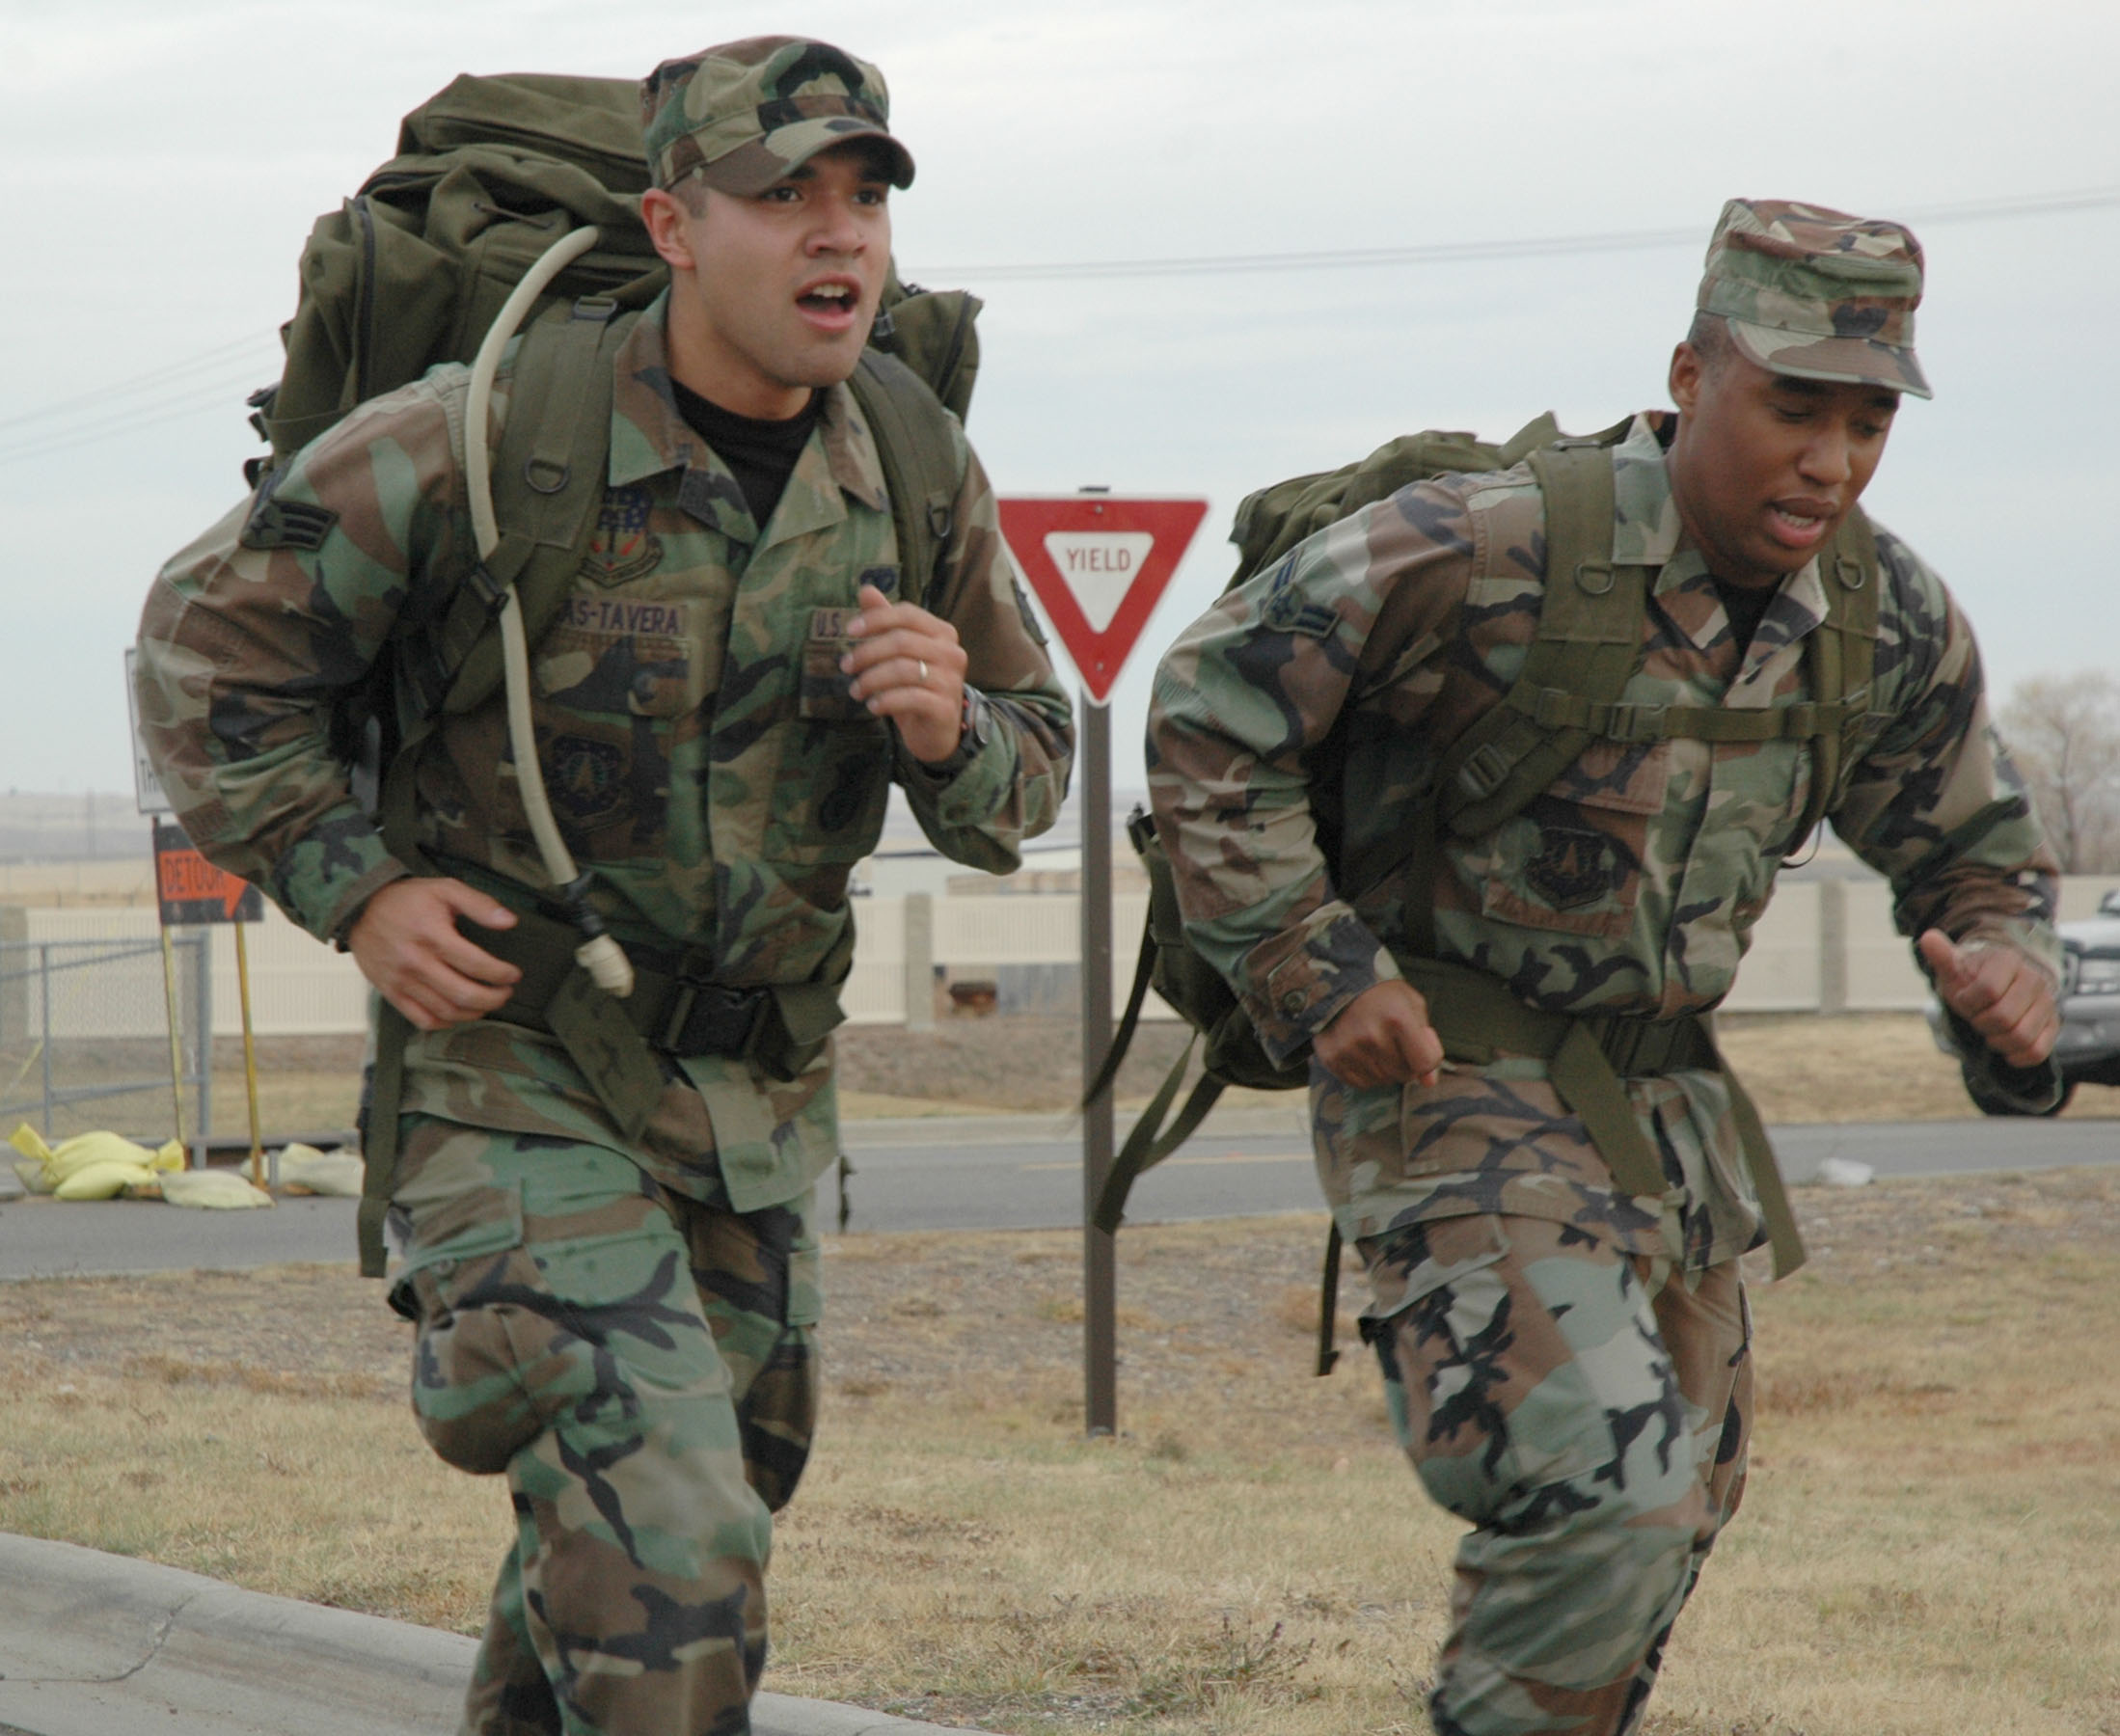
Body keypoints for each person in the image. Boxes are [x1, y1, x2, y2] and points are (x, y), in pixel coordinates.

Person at [135, 36, 1072, 1736]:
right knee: (676, 1550)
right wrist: (354, 890)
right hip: (516, 1072)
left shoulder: (910, 462)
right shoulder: (493, 429)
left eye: (863, 195)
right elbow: (204, 652)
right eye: (782, 194)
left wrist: (954, 731)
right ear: (671, 222)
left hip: (756, 1103)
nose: (837, 235)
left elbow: (1035, 763)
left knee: (655, 1545)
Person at [1145, 199, 2059, 1735]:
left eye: (1866, 421)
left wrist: (2005, 967)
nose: (1828, 461)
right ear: (1692, 373)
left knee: (1673, 1518)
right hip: (1443, 1080)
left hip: (1666, 1120)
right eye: (1791, 407)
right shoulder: (1481, 542)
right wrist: (1314, 966)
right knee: (1603, 1487)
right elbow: (1206, 707)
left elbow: (1976, 850)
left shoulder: (1878, 612)